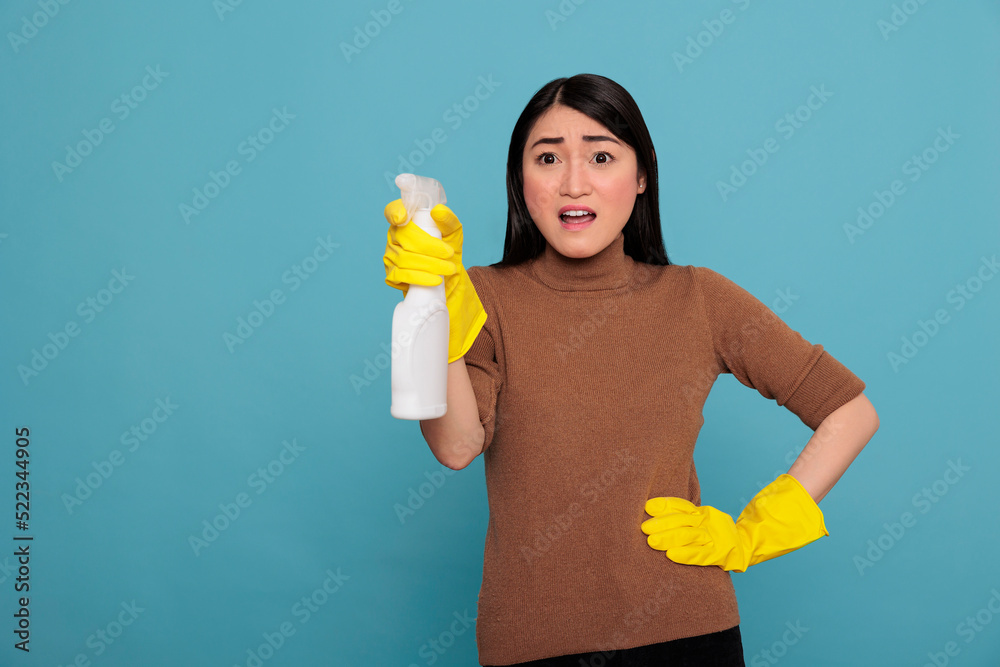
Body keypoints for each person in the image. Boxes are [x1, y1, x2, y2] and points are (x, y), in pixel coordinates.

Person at [382, 73, 879, 667]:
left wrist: (753, 533)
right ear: (520, 181)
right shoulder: (482, 299)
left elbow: (850, 411)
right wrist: (434, 305)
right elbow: (457, 445)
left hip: (688, 635)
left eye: (600, 156)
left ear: (641, 177)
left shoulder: (699, 299)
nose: (573, 183)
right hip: (530, 644)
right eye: (547, 158)